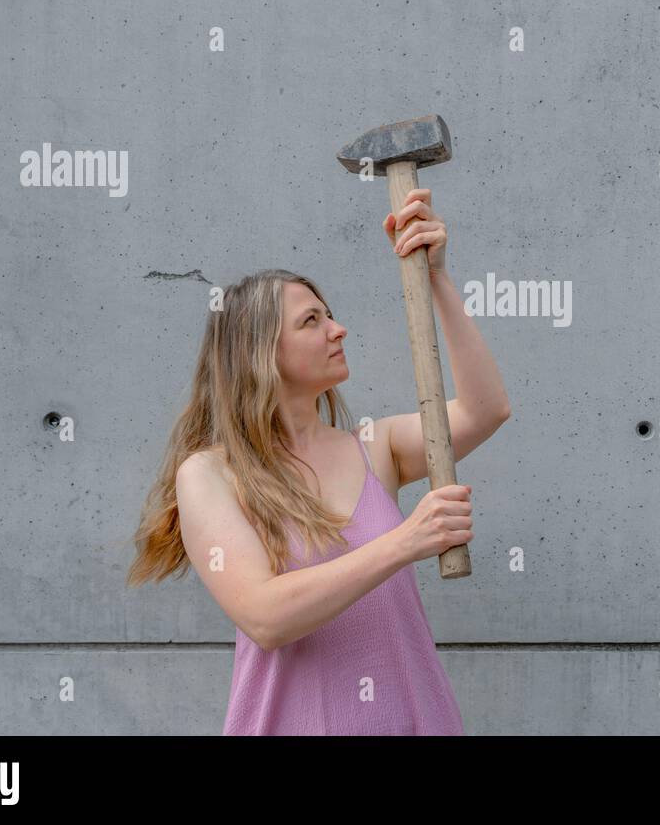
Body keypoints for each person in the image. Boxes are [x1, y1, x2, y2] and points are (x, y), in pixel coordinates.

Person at [126, 187, 511, 734]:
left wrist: (436, 280)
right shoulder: (210, 476)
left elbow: (486, 408)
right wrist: (406, 541)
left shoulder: (375, 446)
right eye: (312, 321)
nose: (338, 329)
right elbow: (266, 616)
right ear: (260, 351)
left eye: (330, 315)